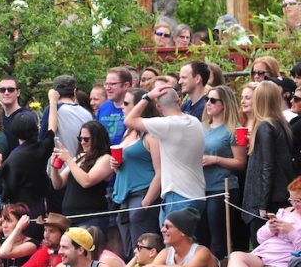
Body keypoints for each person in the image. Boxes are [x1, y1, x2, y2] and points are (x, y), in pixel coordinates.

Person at [123, 82, 205, 222]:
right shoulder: (194, 121)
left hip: (178, 194)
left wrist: (147, 96)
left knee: (174, 242)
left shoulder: (166, 125)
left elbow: (129, 120)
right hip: (197, 193)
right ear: (179, 101)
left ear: (158, 107)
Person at [242, 81, 295, 245]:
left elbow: (268, 166)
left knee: (264, 246)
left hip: (266, 199)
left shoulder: (265, 126)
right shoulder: (281, 124)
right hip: (278, 195)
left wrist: (262, 204)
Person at [111, 88, 161, 259]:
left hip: (142, 194)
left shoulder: (151, 134)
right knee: (129, 251)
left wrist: (145, 203)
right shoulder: (129, 132)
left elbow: (160, 171)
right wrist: (116, 164)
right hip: (124, 196)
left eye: (127, 103)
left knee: (143, 252)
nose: (122, 107)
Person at [199, 85, 246, 258]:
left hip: (222, 188)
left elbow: (241, 162)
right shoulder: (202, 126)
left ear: (224, 104)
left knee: (219, 238)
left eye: (213, 100)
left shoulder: (234, 128)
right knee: (200, 235)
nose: (208, 103)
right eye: (206, 99)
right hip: (200, 187)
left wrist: (216, 159)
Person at [49, 121, 113, 230]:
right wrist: (54, 167)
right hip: (71, 219)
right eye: (80, 139)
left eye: (86, 139)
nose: (82, 142)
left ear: (97, 139)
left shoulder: (105, 158)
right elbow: (57, 184)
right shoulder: (80, 157)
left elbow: (86, 181)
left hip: (91, 218)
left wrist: (68, 159)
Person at [0, 112, 53, 219]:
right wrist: (53, 101)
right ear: (36, 128)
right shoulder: (42, 148)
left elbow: (6, 189)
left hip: (21, 210)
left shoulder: (14, 158)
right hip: (40, 206)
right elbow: (51, 131)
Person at [40, 77, 94, 155]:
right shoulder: (87, 114)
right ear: (75, 92)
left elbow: (42, 142)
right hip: (83, 164)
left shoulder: (52, 109)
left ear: (55, 93)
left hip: (60, 165)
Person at [97, 67, 132, 145]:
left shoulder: (134, 108)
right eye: (106, 84)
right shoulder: (103, 107)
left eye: (112, 84)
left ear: (126, 85)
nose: (107, 88)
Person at [0, 77, 36, 147]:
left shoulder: (26, 116)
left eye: (11, 89)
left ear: (18, 92)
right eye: (2, 90)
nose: (6, 93)